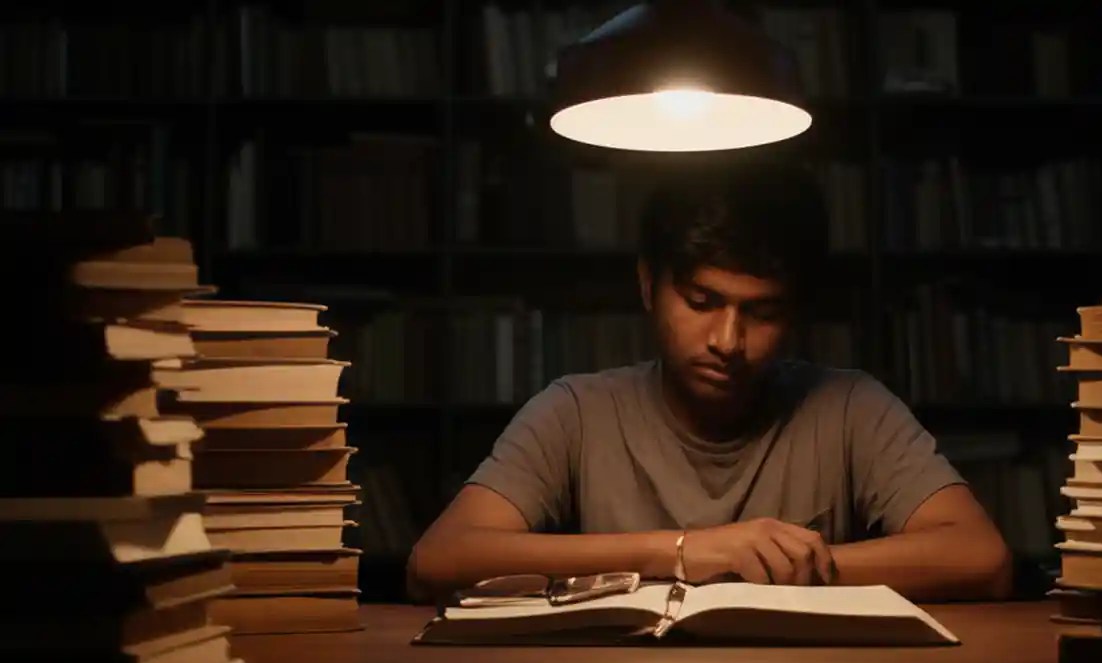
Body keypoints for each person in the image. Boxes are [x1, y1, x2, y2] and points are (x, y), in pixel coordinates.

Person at [407, 162, 1013, 603]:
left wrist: (782, 567)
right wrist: (681, 553)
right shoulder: (577, 411)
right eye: (701, 300)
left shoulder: (850, 406)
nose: (729, 340)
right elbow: (437, 561)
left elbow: (982, 559)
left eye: (764, 311)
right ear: (648, 285)